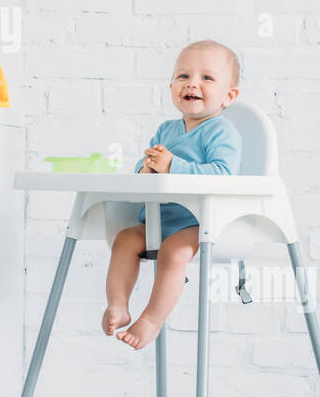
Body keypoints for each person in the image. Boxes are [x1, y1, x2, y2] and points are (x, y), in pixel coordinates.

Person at [102, 40, 242, 350]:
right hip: (157, 218)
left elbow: (222, 175)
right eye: (183, 76)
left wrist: (172, 166)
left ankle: (151, 320)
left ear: (228, 96)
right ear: (171, 87)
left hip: (196, 222)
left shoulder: (221, 132)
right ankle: (118, 304)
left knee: (173, 253)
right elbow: (146, 166)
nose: (193, 83)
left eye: (207, 78)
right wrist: (147, 170)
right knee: (125, 239)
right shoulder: (166, 130)